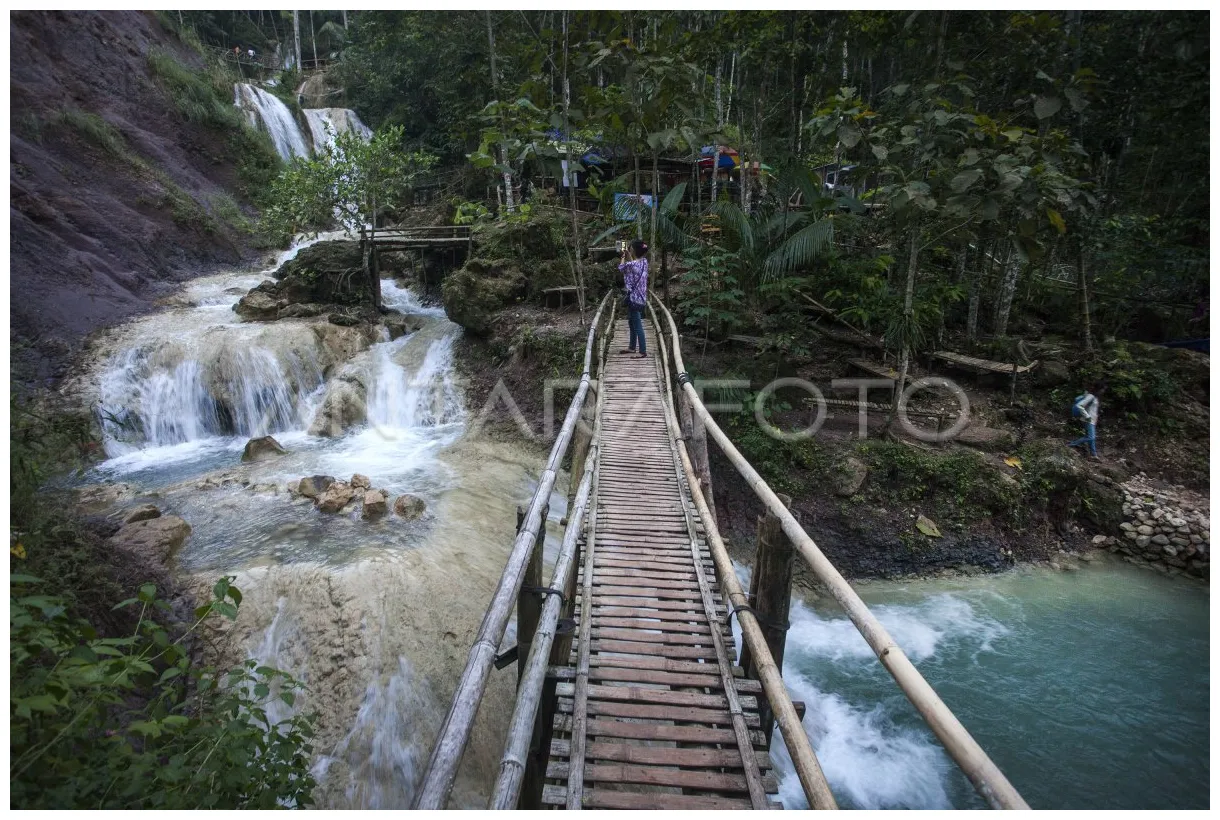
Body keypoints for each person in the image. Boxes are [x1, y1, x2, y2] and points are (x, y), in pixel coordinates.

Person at [618, 239, 649, 358]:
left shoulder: (631, 264)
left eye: (631, 248)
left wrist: (622, 256)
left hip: (634, 299)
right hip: (640, 298)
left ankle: (642, 351)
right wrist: (629, 255)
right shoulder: (644, 262)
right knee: (631, 322)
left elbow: (621, 267)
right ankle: (631, 347)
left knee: (637, 324)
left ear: (634, 250)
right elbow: (634, 265)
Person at [1068, 384, 1104, 458]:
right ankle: (1071, 444)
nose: (1103, 391)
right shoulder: (1090, 396)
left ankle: (1094, 455)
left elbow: (1093, 411)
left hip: (1092, 421)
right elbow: (1079, 405)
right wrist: (1087, 416)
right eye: (1103, 389)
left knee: (1090, 437)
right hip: (1088, 420)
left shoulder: (1096, 398)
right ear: (1099, 389)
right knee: (1091, 437)